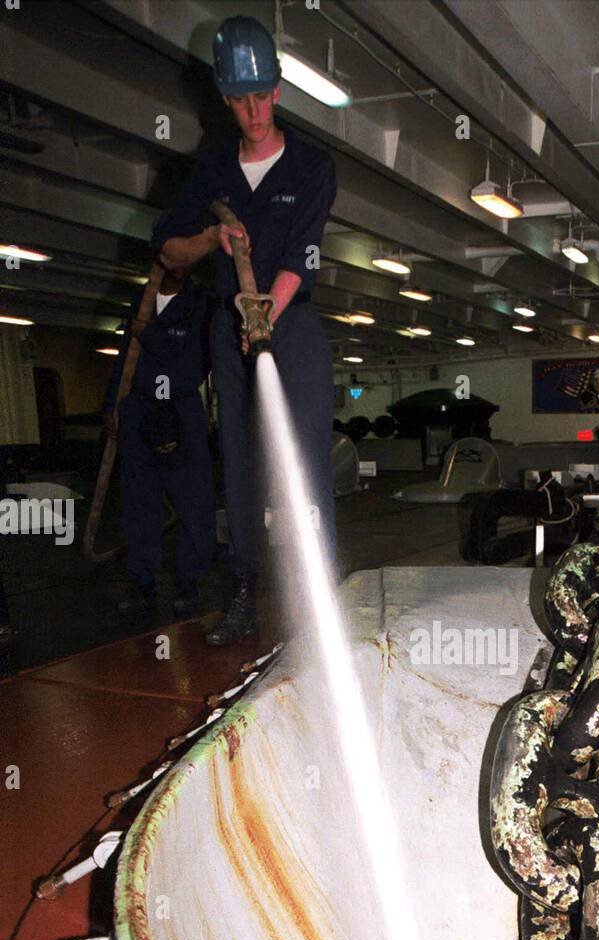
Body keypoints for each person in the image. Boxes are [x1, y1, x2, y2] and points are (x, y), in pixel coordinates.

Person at [152, 14, 337, 646]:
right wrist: (211, 237)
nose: (254, 112)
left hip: (291, 325)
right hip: (229, 334)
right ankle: (246, 591)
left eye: (263, 96)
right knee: (240, 461)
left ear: (278, 91)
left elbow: (300, 258)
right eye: (240, 99)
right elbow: (170, 253)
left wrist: (264, 316)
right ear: (225, 99)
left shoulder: (313, 166)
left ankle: (319, 595)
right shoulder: (210, 172)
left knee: (306, 462)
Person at [104, 268, 214, 615]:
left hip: (179, 408)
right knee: (139, 500)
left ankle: (190, 581)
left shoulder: (202, 304)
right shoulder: (142, 299)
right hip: (137, 405)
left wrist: (149, 333)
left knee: (191, 499)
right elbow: (123, 359)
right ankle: (143, 582)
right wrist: (112, 406)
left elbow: (191, 365)